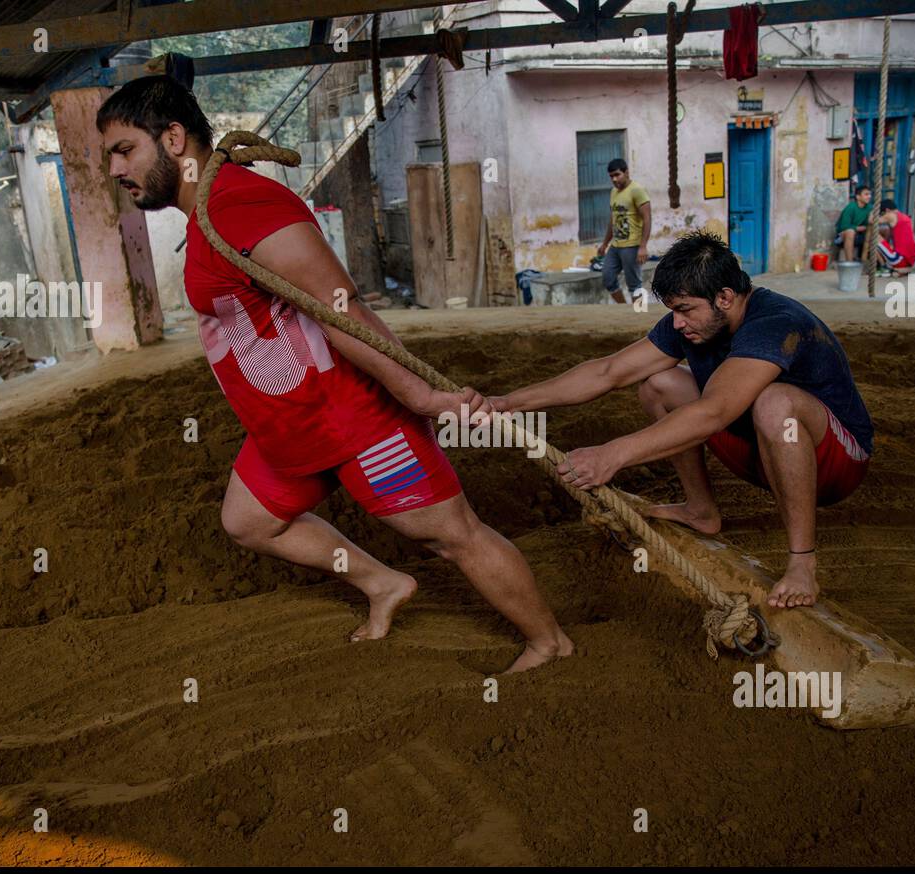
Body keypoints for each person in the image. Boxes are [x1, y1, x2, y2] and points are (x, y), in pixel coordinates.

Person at [96, 76, 572, 673]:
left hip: (356, 420)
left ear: (172, 139)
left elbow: (341, 307)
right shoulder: (208, 214)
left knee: (454, 536)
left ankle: (549, 642)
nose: (114, 168)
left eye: (123, 150)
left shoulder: (242, 205)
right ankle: (382, 583)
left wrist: (420, 395)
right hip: (290, 424)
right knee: (249, 521)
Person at [492, 230, 874, 609]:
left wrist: (612, 454)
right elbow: (608, 372)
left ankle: (802, 561)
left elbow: (714, 412)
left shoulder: (776, 321)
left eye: (685, 309)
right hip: (761, 450)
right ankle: (700, 510)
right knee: (658, 383)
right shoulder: (695, 324)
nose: (676, 322)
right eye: (672, 310)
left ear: (725, 297)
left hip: (834, 463)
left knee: (774, 403)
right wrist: (508, 403)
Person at [596, 159, 651, 304]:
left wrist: (643, 246)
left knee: (634, 284)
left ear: (626, 172)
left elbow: (647, 218)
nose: (614, 179)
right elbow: (613, 219)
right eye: (611, 176)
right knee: (608, 278)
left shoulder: (637, 190)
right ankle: (624, 309)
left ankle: (640, 317)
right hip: (616, 245)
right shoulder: (613, 192)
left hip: (632, 245)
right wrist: (604, 244)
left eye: (617, 175)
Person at [875, 199, 915, 275]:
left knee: (874, 236)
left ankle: (884, 266)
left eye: (882, 213)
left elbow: (872, 220)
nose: (883, 215)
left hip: (898, 259)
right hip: (910, 260)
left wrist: (873, 210)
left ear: (887, 210)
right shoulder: (905, 217)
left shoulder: (891, 215)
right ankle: (900, 269)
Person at [835, 186, 872, 261]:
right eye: (866, 194)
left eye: (870, 194)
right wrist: (859, 228)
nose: (869, 196)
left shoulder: (869, 208)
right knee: (850, 232)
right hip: (841, 238)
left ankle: (877, 261)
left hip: (860, 235)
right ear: (858, 197)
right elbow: (843, 227)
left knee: (884, 229)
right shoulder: (851, 207)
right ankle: (850, 263)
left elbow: (869, 224)